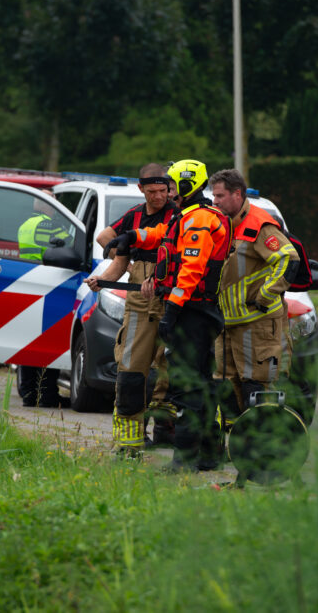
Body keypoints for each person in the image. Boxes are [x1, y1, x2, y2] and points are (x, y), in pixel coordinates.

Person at [106, 159, 232, 472]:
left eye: (173, 185)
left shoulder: (200, 219)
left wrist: (172, 310)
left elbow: (190, 270)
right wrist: (132, 238)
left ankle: (186, 461)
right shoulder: (188, 216)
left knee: (188, 386)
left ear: (188, 184)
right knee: (198, 382)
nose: (169, 192)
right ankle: (207, 454)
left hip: (194, 310)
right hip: (198, 310)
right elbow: (164, 234)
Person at [85, 163, 178, 454]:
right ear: (141, 189)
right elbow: (108, 243)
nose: (159, 197)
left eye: (163, 191)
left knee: (171, 368)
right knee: (131, 370)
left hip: (172, 299)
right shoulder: (135, 214)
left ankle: (167, 429)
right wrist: (104, 278)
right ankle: (130, 441)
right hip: (139, 301)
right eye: (152, 192)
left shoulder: (178, 214)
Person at [208, 169, 300, 417]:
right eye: (213, 195)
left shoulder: (258, 224)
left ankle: (259, 451)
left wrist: (266, 295)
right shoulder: (221, 223)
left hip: (257, 323)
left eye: (219, 195)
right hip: (227, 324)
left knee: (257, 388)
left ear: (237, 194)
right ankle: (232, 449)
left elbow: (289, 260)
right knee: (225, 387)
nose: (214, 201)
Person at [17, 190, 72, 406]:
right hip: (49, 284)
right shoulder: (49, 226)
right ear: (50, 205)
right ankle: (47, 395)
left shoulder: (25, 225)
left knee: (29, 343)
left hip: (28, 283)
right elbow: (71, 244)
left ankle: (29, 392)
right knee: (49, 342)